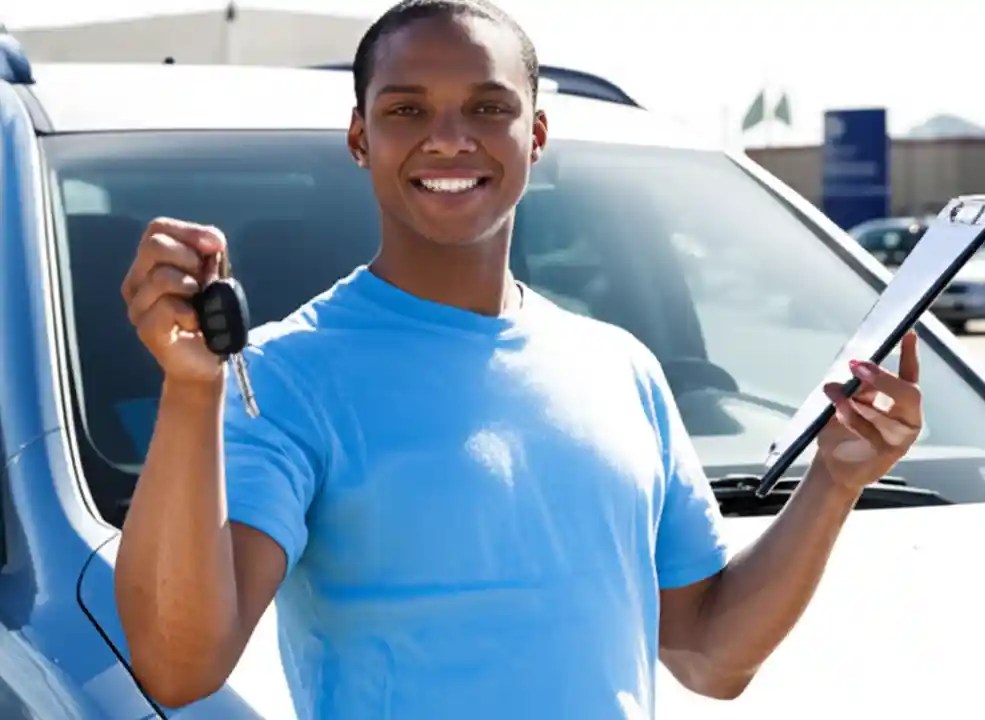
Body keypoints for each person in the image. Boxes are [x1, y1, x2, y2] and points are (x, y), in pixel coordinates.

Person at [113, 1, 925, 718]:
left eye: (487, 106)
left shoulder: (620, 369)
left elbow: (711, 656)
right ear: (360, 138)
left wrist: (833, 481)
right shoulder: (287, 377)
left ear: (535, 134)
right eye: (406, 109)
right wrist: (190, 392)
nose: (448, 137)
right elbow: (179, 668)